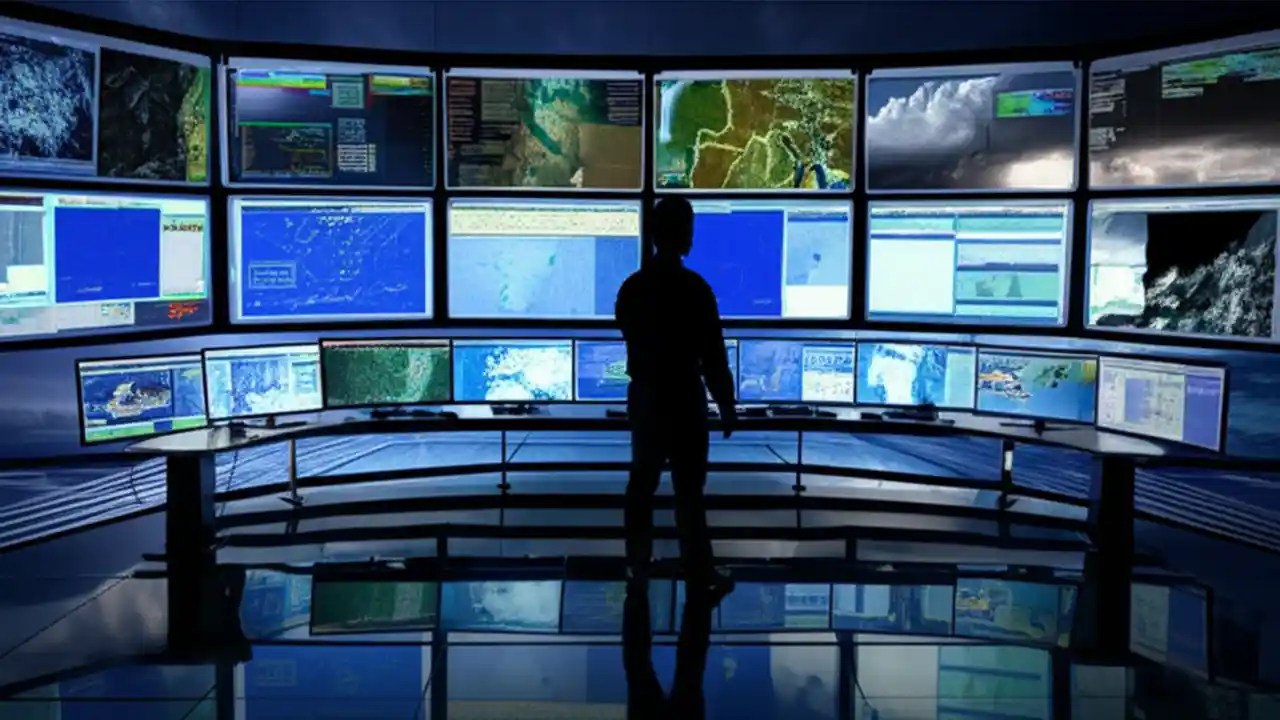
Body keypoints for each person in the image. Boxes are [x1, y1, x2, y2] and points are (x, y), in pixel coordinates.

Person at [615, 196, 736, 601]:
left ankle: (637, 566)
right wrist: (727, 405)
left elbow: (629, 336)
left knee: (642, 484)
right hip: (685, 399)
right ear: (684, 235)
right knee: (688, 492)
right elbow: (714, 357)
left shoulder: (632, 288)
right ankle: (699, 572)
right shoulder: (696, 290)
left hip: (647, 396)